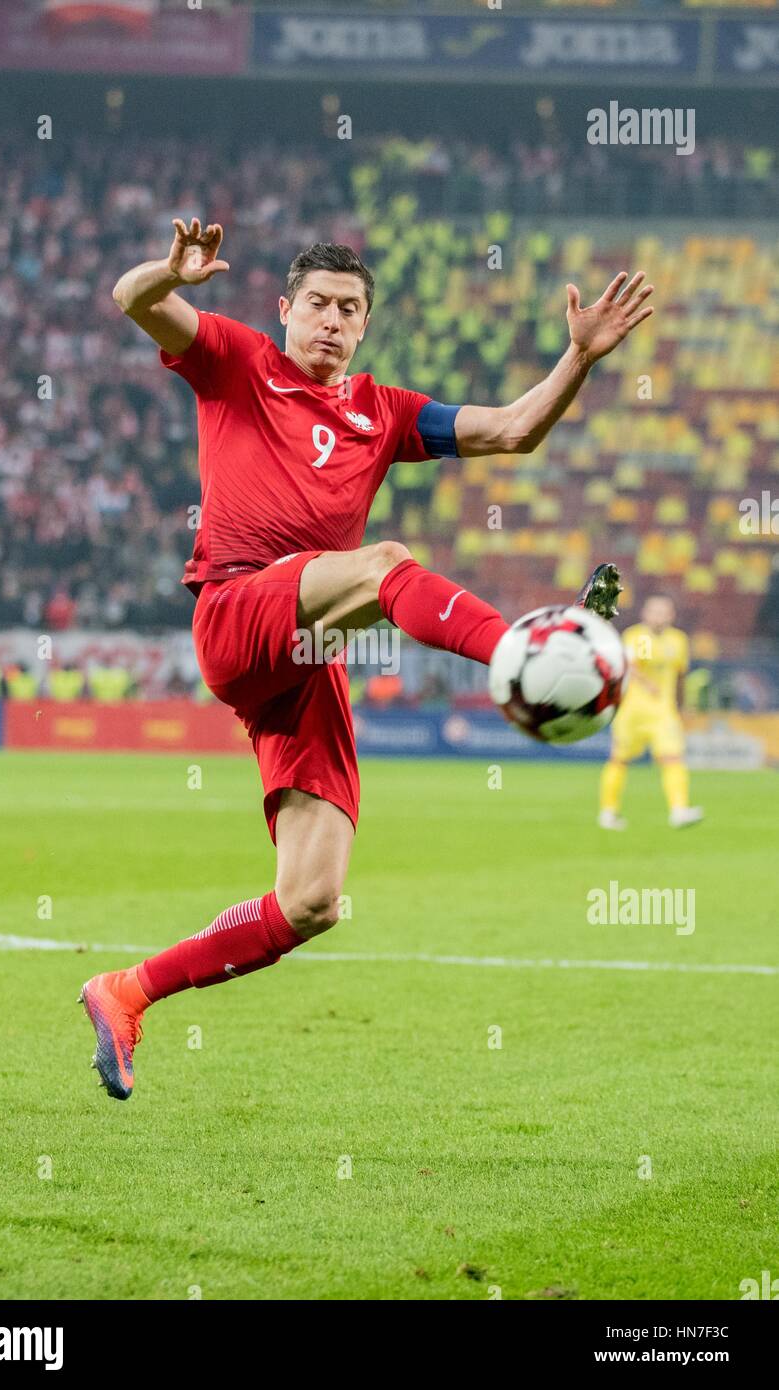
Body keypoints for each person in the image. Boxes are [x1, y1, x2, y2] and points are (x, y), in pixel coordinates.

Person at [80, 220, 653, 1099]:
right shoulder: (237, 362)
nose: (333, 321)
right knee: (388, 563)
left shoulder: (381, 411)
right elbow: (131, 301)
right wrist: (169, 271)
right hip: (238, 612)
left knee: (311, 902)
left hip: (311, 659)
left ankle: (128, 990)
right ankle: (521, 653)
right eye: (317, 304)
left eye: (350, 309)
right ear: (284, 311)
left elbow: (511, 431)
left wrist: (578, 359)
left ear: (364, 325)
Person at [599, 594, 703, 831]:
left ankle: (679, 811)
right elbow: (632, 666)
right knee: (619, 759)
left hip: (663, 712)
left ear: (671, 616)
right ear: (645, 614)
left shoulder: (678, 640)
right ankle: (608, 811)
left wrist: (682, 705)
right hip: (632, 711)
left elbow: (680, 676)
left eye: (663, 612)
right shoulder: (636, 636)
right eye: (654, 611)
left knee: (673, 758)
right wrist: (647, 683)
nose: (658, 616)